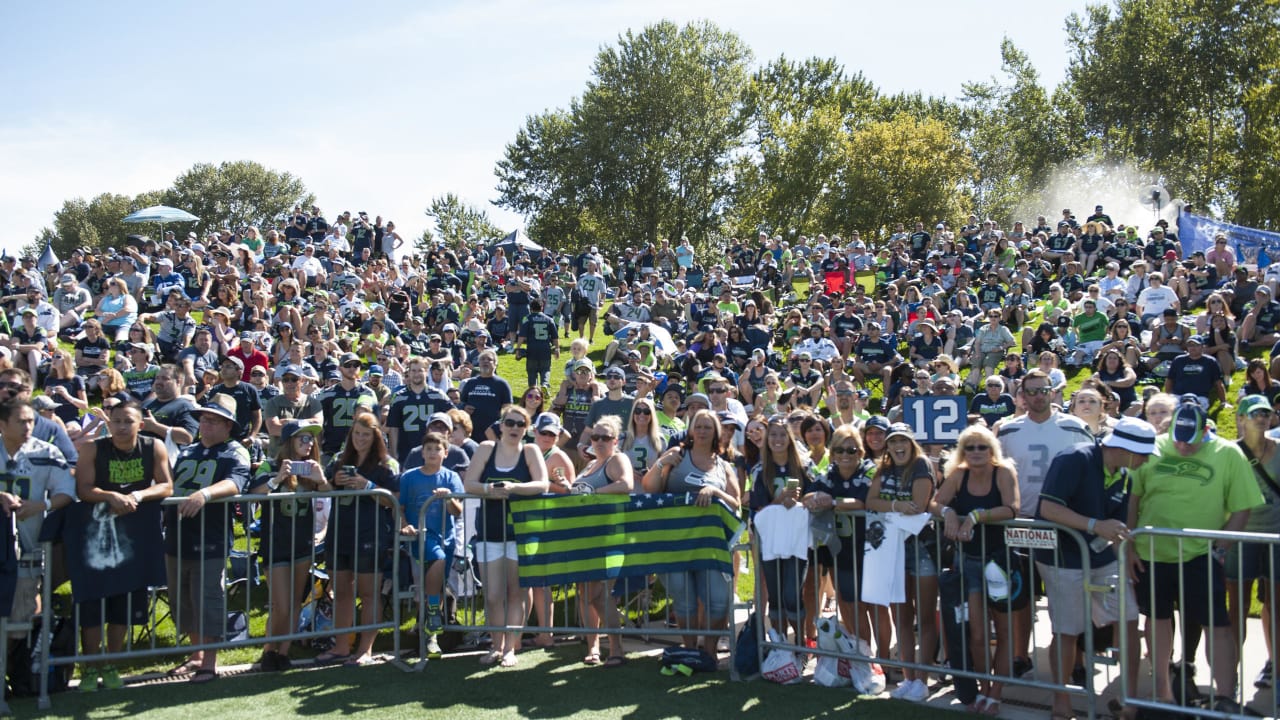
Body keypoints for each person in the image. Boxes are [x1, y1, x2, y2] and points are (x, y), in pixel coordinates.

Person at [1128, 400, 1263, 705]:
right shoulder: (1154, 447)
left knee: (1216, 623)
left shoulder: (1228, 453)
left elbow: (1243, 507)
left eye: (1190, 441)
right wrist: (1129, 546)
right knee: (1157, 618)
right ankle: (1163, 691)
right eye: (1177, 438)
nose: (1182, 446)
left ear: (1205, 431)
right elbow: (1133, 498)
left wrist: (1221, 546)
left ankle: (1226, 695)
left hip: (1201, 555)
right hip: (1152, 553)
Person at [996, 368, 1093, 678]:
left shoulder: (1075, 427)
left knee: (1065, 598)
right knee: (1020, 595)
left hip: (1063, 527)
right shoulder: (1009, 431)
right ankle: (1019, 655)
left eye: (1043, 390)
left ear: (1053, 391)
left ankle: (1075, 660)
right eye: (1032, 391)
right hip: (1022, 522)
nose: (1038, 396)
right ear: (1022, 396)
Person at [72, 400, 172, 690]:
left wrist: (138, 496)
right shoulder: (93, 448)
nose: (121, 426)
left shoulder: (154, 447)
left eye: (128, 421)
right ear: (108, 423)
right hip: (95, 538)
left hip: (134, 539)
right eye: (116, 421)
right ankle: (90, 669)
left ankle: (111, 665)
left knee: (124, 606)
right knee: (91, 606)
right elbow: (83, 488)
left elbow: (166, 485)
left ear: (140, 424)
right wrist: (109, 496)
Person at [164, 395, 252, 683]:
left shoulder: (235, 451)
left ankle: (209, 663)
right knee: (183, 599)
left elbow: (235, 482)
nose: (204, 424)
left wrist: (205, 494)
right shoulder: (188, 451)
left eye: (212, 420)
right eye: (203, 419)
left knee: (208, 598)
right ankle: (196, 654)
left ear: (228, 425)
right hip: (178, 535)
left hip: (210, 536)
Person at [934, 424, 1021, 715]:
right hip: (968, 562)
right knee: (978, 634)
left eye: (981, 446)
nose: (976, 452)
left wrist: (975, 516)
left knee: (1006, 631)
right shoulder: (959, 473)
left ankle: (996, 693)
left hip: (1000, 562)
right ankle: (984, 689)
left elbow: (1012, 508)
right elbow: (934, 502)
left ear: (991, 448)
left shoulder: (1004, 472)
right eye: (969, 447)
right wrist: (947, 512)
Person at [641, 409, 741, 657]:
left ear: (716, 432)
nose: (703, 431)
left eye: (708, 427)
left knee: (718, 601)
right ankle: (689, 650)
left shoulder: (724, 466)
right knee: (684, 600)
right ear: (691, 430)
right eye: (699, 426)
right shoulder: (677, 455)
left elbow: (737, 503)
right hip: (676, 542)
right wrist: (662, 462)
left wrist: (714, 491)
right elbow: (650, 488)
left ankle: (708, 651)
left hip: (711, 545)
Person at [462, 405, 550, 667]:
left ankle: (510, 648)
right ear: (501, 425)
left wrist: (514, 488)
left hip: (519, 531)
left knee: (516, 593)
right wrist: (490, 489)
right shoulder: (486, 449)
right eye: (510, 423)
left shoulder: (531, 451)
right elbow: (469, 484)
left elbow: (542, 484)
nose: (514, 428)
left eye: (520, 424)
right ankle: (496, 646)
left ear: (526, 429)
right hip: (489, 531)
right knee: (491, 595)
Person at [316, 411, 400, 667]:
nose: (360, 439)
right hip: (340, 532)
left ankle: (366, 648)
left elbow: (395, 500)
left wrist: (367, 486)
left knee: (369, 593)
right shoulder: (341, 460)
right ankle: (341, 646)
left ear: (375, 436)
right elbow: (324, 490)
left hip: (370, 534)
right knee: (340, 591)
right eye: (356, 434)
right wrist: (331, 481)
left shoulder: (386, 464)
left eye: (366, 434)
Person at [864, 423, 937, 703]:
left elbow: (918, 505)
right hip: (892, 550)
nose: (897, 446)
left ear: (911, 443)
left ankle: (923, 678)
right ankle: (908, 677)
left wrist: (889, 505)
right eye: (893, 441)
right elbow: (872, 501)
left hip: (922, 549)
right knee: (902, 616)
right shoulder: (883, 469)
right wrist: (895, 507)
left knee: (926, 616)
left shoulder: (921, 465)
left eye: (902, 440)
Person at [247, 419, 326, 672]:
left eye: (311, 439)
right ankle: (269, 650)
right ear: (289, 442)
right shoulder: (271, 465)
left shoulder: (311, 469)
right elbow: (253, 492)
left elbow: (332, 493)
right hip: (276, 543)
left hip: (302, 544)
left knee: (293, 604)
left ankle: (283, 652)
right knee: (280, 605)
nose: (308, 443)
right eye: (303, 438)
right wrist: (278, 478)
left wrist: (321, 479)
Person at [571, 415, 634, 668]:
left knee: (599, 594)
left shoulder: (617, 458)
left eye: (605, 437)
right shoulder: (589, 465)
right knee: (586, 592)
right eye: (595, 437)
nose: (598, 441)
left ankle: (616, 648)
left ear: (615, 440)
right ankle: (593, 647)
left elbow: (626, 484)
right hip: (583, 536)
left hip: (606, 534)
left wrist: (593, 492)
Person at [748, 414, 816, 641]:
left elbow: (819, 493)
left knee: (791, 594)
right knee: (776, 596)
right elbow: (758, 508)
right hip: (771, 541)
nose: (777, 439)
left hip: (797, 541)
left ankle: (800, 642)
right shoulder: (760, 470)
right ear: (767, 439)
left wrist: (804, 500)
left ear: (790, 438)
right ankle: (780, 644)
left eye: (782, 435)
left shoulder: (804, 465)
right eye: (773, 434)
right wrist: (780, 500)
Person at [398, 431, 465, 660]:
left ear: (445, 453)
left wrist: (448, 499)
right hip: (421, 536)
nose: (432, 453)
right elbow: (401, 508)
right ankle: (435, 612)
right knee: (438, 559)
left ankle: (430, 638)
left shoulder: (451, 478)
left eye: (437, 449)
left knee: (433, 585)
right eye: (428, 449)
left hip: (446, 537)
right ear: (422, 452)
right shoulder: (409, 477)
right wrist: (405, 526)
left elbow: (458, 511)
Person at [1232, 396, 1280, 691]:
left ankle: (1274, 663)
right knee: (1237, 605)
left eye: (1265, 412)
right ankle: (1231, 670)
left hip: (1275, 536)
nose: (1261, 418)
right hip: (1240, 536)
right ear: (1240, 418)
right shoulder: (1229, 453)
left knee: (1274, 604)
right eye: (1254, 413)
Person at [385, 357, 455, 467]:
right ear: (408, 372)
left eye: (420, 370)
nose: (416, 374)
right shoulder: (399, 397)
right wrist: (394, 454)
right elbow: (394, 428)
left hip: (434, 451)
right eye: (413, 370)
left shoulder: (438, 395)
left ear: (427, 372)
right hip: (406, 451)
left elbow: (454, 418)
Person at [314, 353, 378, 461]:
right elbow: (318, 425)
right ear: (340, 368)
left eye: (356, 365)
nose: (352, 368)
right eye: (348, 365)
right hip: (330, 451)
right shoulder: (326, 394)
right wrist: (319, 449)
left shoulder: (368, 393)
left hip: (360, 452)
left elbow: (374, 424)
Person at [460, 349, 512, 444]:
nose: (485, 361)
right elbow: (461, 403)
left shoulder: (502, 384)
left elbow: (508, 410)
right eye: (482, 359)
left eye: (489, 359)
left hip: (492, 434)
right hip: (471, 433)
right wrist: (464, 408)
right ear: (478, 364)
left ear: (495, 364)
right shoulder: (470, 383)